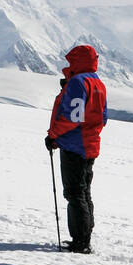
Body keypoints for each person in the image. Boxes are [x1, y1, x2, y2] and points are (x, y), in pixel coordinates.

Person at [45, 45, 107, 253]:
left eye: (72, 61)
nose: (68, 64)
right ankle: (84, 236)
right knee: (84, 191)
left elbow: (73, 116)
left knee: (74, 193)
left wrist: (54, 135)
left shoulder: (78, 82)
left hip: (75, 144)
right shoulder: (98, 83)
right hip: (89, 144)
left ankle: (81, 241)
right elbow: (102, 117)